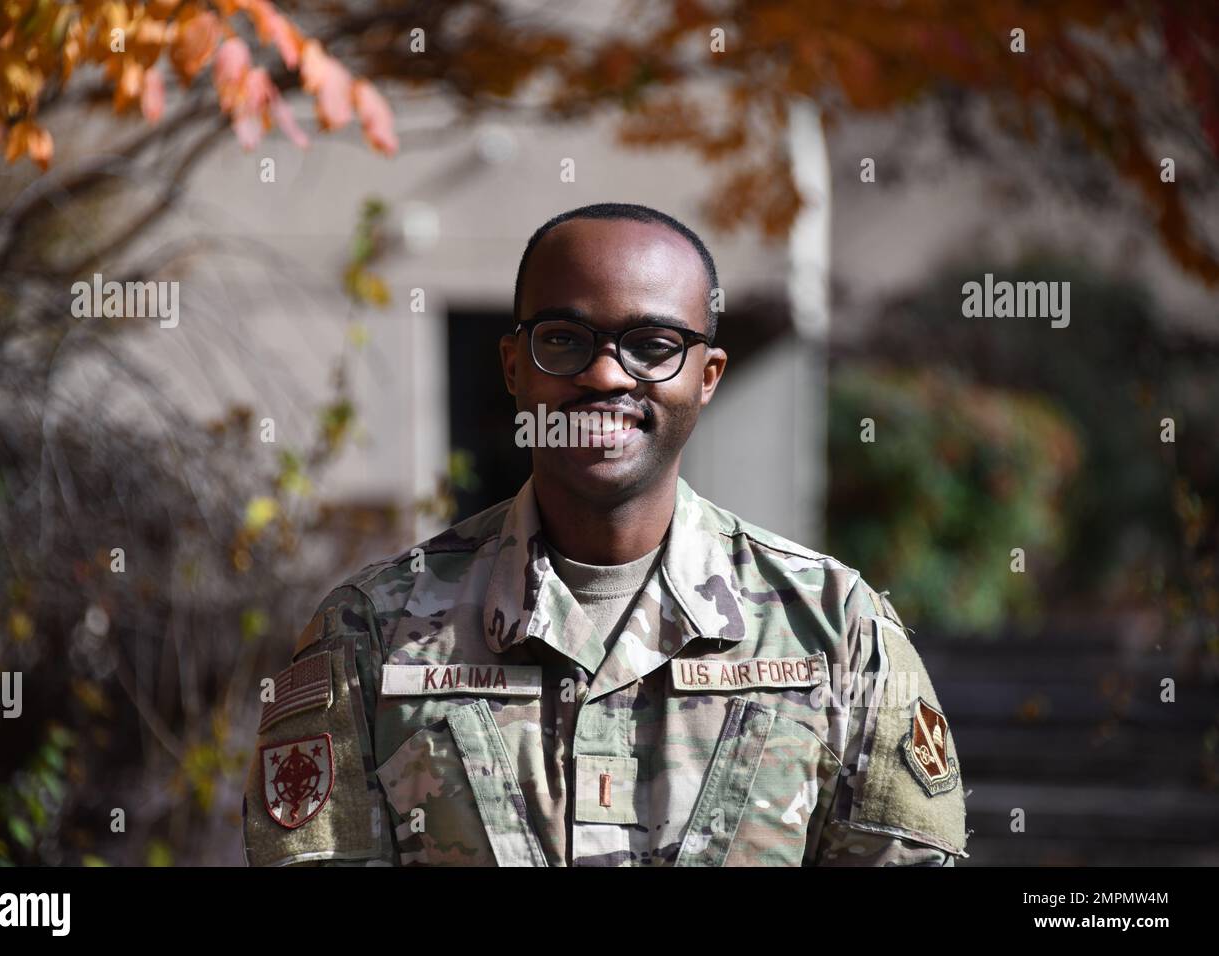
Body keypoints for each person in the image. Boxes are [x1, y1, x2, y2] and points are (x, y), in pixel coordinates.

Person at [242, 201, 970, 866]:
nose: (603, 374)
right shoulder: (371, 633)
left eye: (651, 345)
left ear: (708, 375)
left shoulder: (835, 629)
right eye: (563, 339)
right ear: (513, 367)